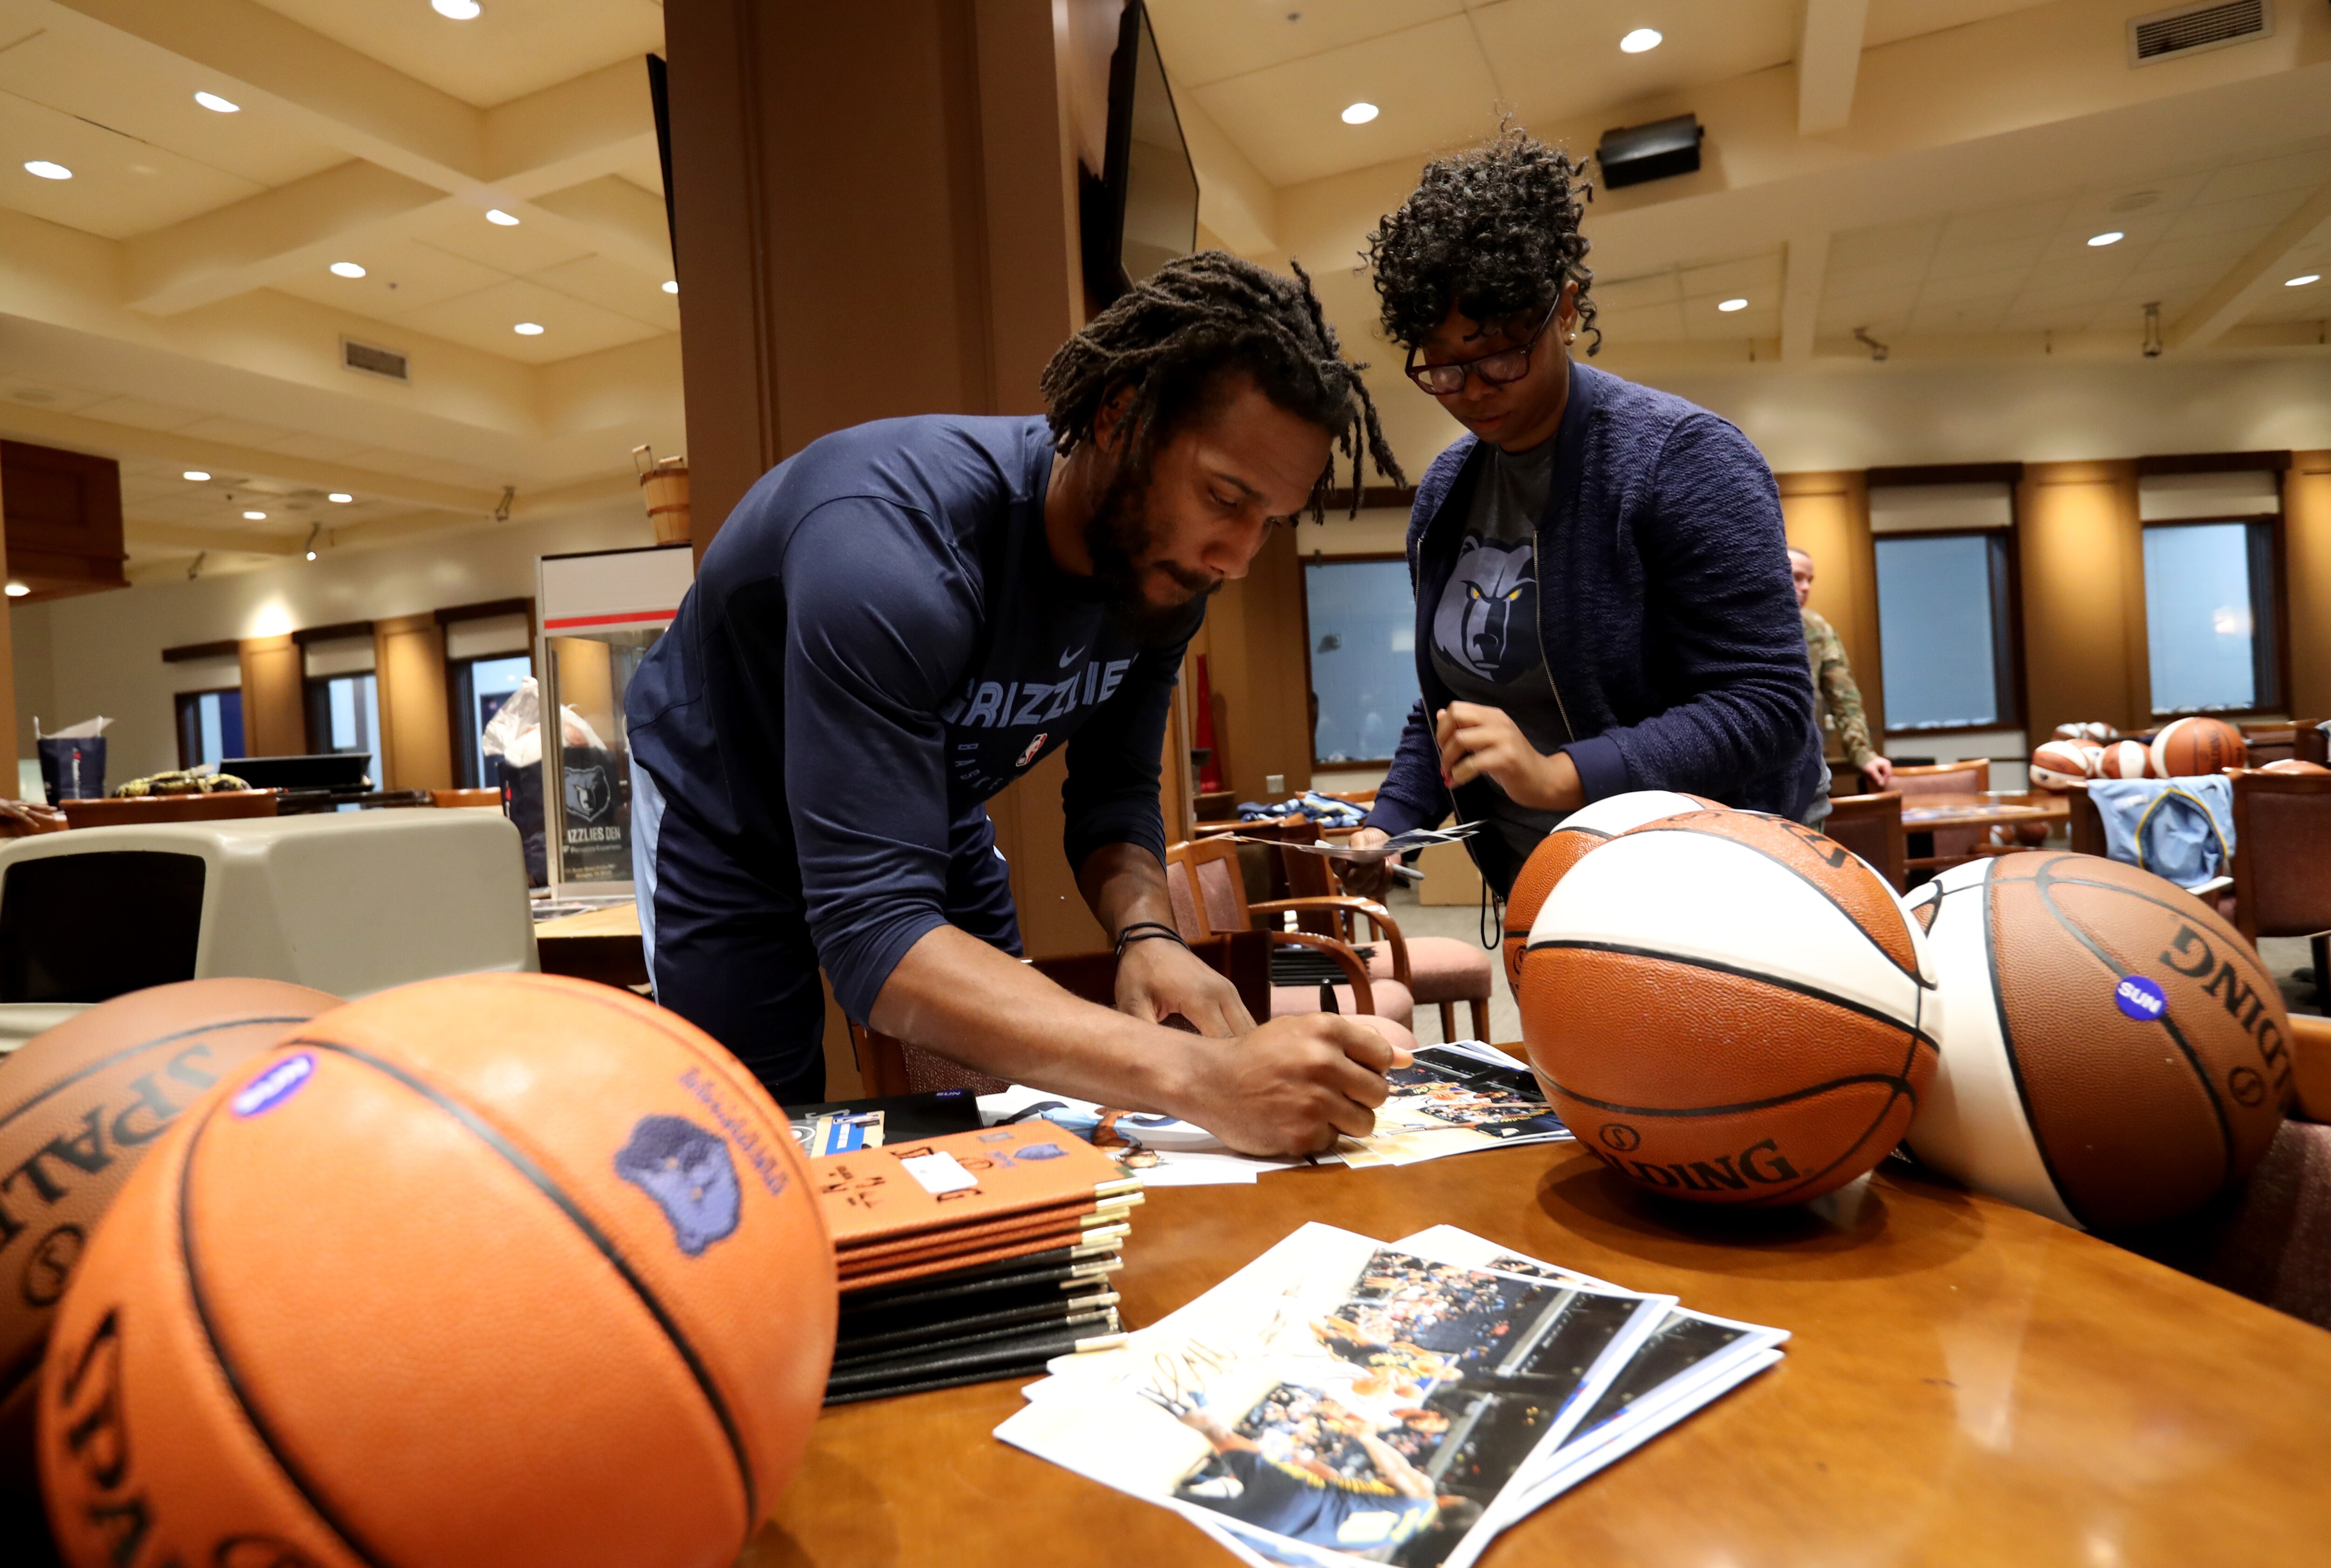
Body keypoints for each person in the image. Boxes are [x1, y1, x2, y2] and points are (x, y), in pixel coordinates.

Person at [624, 254, 1411, 1157]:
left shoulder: (1166, 574)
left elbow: (1114, 794)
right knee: (752, 1139)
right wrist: (1200, 1078)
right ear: (1120, 415)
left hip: (920, 784)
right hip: (726, 804)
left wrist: (1146, 931)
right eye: (1225, 498)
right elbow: (874, 936)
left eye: (1269, 521)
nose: (1236, 557)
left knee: (996, 1103)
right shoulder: (886, 546)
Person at [1338, 131, 1821, 900]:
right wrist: (1390, 817)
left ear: (1563, 310)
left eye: (1499, 354)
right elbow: (1457, 702)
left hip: (1719, 885)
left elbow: (1766, 704)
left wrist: (1563, 773)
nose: (1472, 389)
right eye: (1442, 365)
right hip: (1553, 891)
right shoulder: (1444, 494)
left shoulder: (1682, 458)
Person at [1789, 545, 1894, 812]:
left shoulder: (1817, 629)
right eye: (1796, 577)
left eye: (1809, 581)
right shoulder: (1741, 623)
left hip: (1805, 761)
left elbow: (1844, 698)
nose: (1805, 588)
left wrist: (1863, 754)